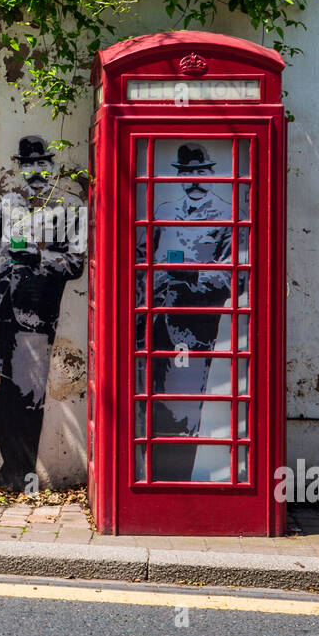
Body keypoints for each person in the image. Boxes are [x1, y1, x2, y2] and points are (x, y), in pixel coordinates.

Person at [0, 136, 85, 490]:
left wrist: (38, 259)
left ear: (51, 166)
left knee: (29, 395)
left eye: (41, 164)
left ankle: (25, 474)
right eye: (27, 164)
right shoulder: (8, 202)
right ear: (20, 167)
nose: (34, 171)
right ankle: (9, 468)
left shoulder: (71, 207)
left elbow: (75, 264)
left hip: (37, 314)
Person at [138, 143, 232, 481]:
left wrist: (188, 273)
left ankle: (176, 484)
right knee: (149, 411)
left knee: (182, 413)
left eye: (200, 173)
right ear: (179, 176)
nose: (194, 180)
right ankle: (151, 483)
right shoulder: (162, 211)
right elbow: (137, 261)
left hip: (193, 332)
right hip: (150, 328)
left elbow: (233, 276)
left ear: (212, 175)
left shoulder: (227, 216)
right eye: (187, 173)